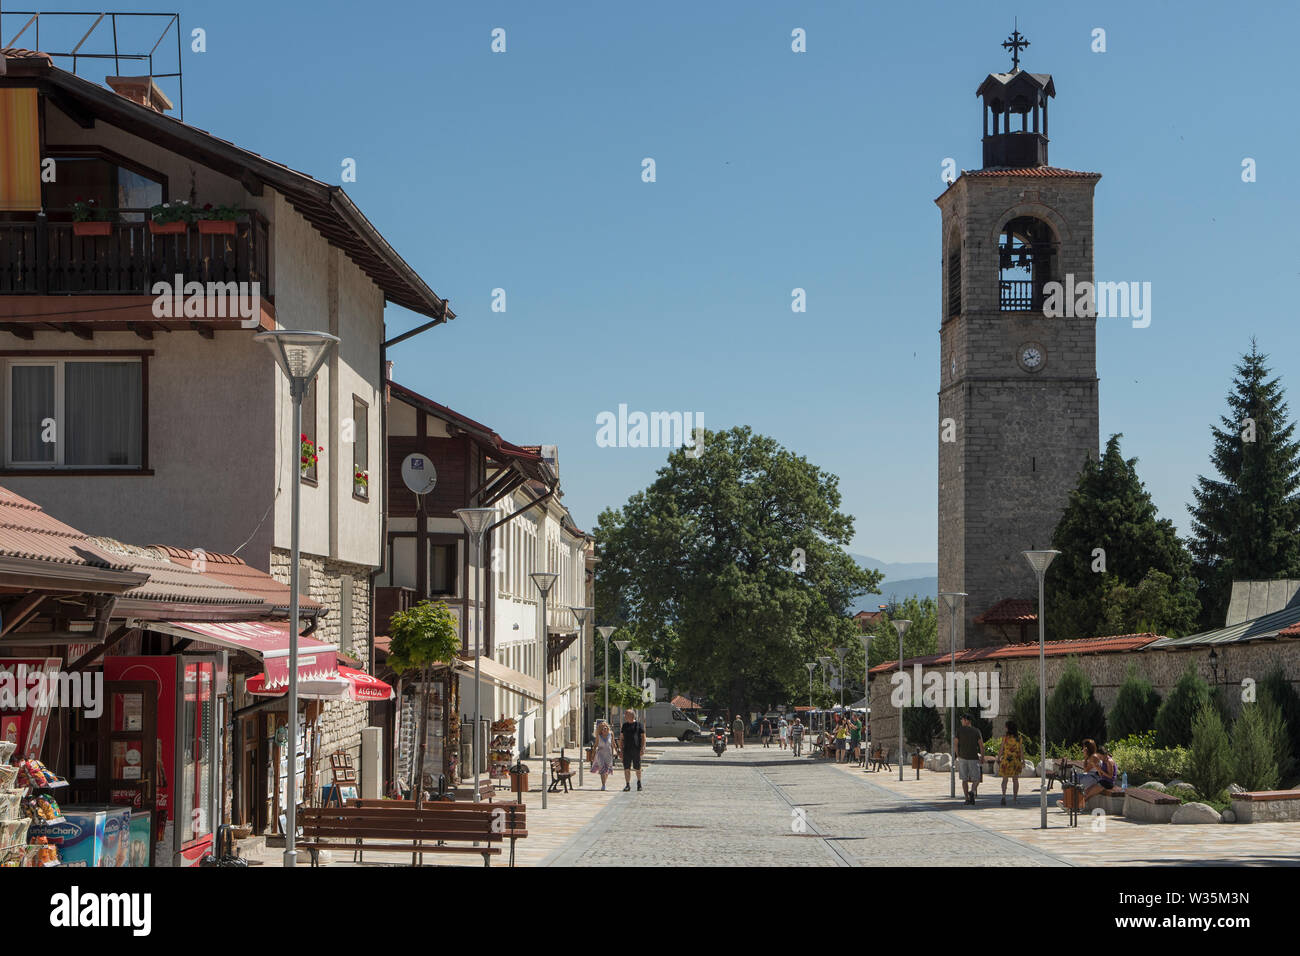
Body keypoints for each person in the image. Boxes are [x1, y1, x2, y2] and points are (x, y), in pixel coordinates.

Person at [954, 712, 984, 804]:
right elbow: (981, 745)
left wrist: (957, 754)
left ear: (967, 721)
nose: (961, 721)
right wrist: (982, 756)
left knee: (964, 779)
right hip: (973, 757)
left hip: (962, 757)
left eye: (962, 719)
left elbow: (955, 744)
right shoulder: (976, 731)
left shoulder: (959, 730)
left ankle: (967, 798)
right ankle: (973, 791)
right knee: (977, 778)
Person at [615, 707, 647, 791]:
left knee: (637, 767)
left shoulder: (638, 725)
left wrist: (643, 748)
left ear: (631, 715)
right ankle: (627, 784)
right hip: (626, 750)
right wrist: (620, 750)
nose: (625, 716)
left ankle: (639, 782)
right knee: (626, 768)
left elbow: (643, 737)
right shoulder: (625, 726)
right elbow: (621, 738)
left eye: (626, 714)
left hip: (636, 749)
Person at [996, 719, 1025, 805]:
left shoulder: (1005, 738)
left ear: (1008, 728)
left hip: (1006, 761)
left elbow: (1001, 749)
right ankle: (1015, 798)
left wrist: (998, 758)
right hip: (1015, 761)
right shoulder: (1018, 738)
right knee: (1015, 780)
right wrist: (1023, 760)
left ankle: (1004, 796)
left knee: (1005, 780)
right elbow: (1021, 750)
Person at [591, 720, 616, 791]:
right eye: (602, 729)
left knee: (607, 770)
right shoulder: (599, 736)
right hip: (600, 753)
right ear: (600, 730)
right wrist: (593, 754)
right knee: (602, 769)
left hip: (608, 753)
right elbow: (595, 745)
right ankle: (603, 785)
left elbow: (613, 744)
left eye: (605, 728)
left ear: (607, 728)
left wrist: (616, 751)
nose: (604, 730)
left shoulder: (611, 734)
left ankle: (604, 782)